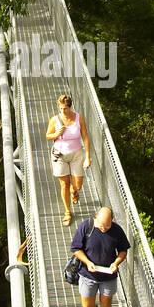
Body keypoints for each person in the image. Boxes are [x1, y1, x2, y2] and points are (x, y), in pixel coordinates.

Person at [70, 207, 130, 307]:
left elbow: (123, 250)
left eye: (108, 226)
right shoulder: (86, 226)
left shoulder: (117, 230)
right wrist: (88, 262)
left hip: (108, 276)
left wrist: (116, 263)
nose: (104, 229)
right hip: (88, 274)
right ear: (95, 219)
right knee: (87, 305)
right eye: (101, 226)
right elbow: (75, 249)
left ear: (112, 221)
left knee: (106, 302)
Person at [46, 94, 91, 225]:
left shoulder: (79, 118)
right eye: (60, 108)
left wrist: (87, 156)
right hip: (59, 155)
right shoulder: (55, 120)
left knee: (77, 185)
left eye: (65, 108)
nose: (62, 111)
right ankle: (67, 211)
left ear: (70, 107)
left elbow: (85, 137)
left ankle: (74, 191)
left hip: (76, 154)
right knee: (64, 184)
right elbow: (48, 135)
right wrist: (56, 134)